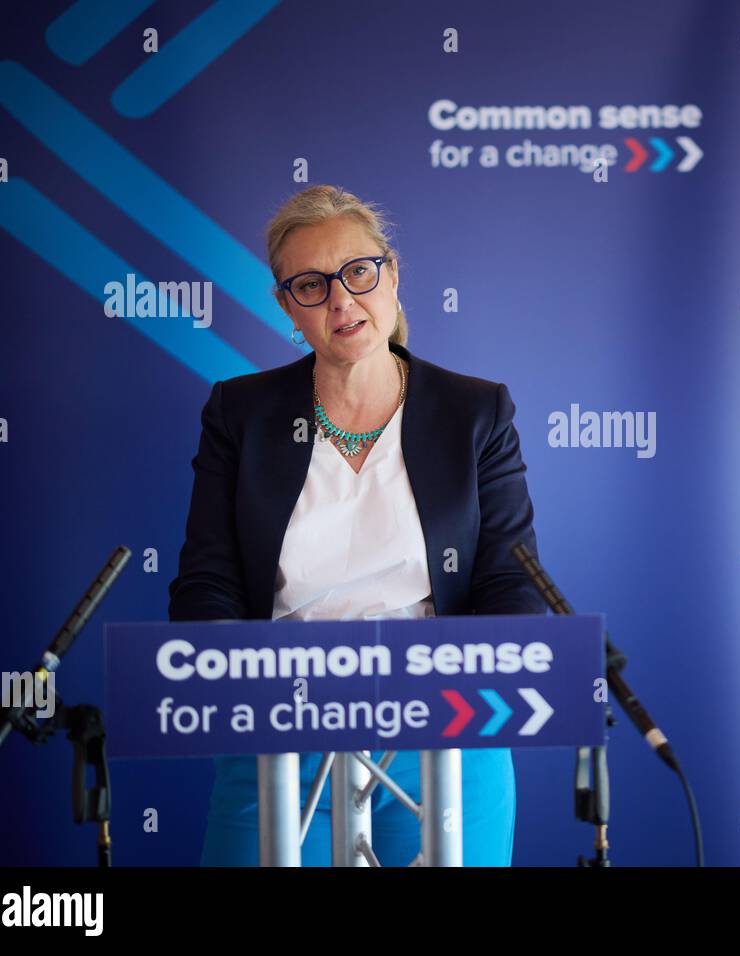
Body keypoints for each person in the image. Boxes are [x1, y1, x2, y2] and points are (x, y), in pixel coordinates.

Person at [167, 184, 547, 866]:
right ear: (287, 307)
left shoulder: (475, 412)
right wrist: (236, 689)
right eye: (310, 286)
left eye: (358, 273)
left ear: (393, 277)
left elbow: (510, 581)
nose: (341, 299)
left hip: (447, 723)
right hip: (281, 723)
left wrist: (474, 682)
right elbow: (207, 583)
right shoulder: (239, 413)